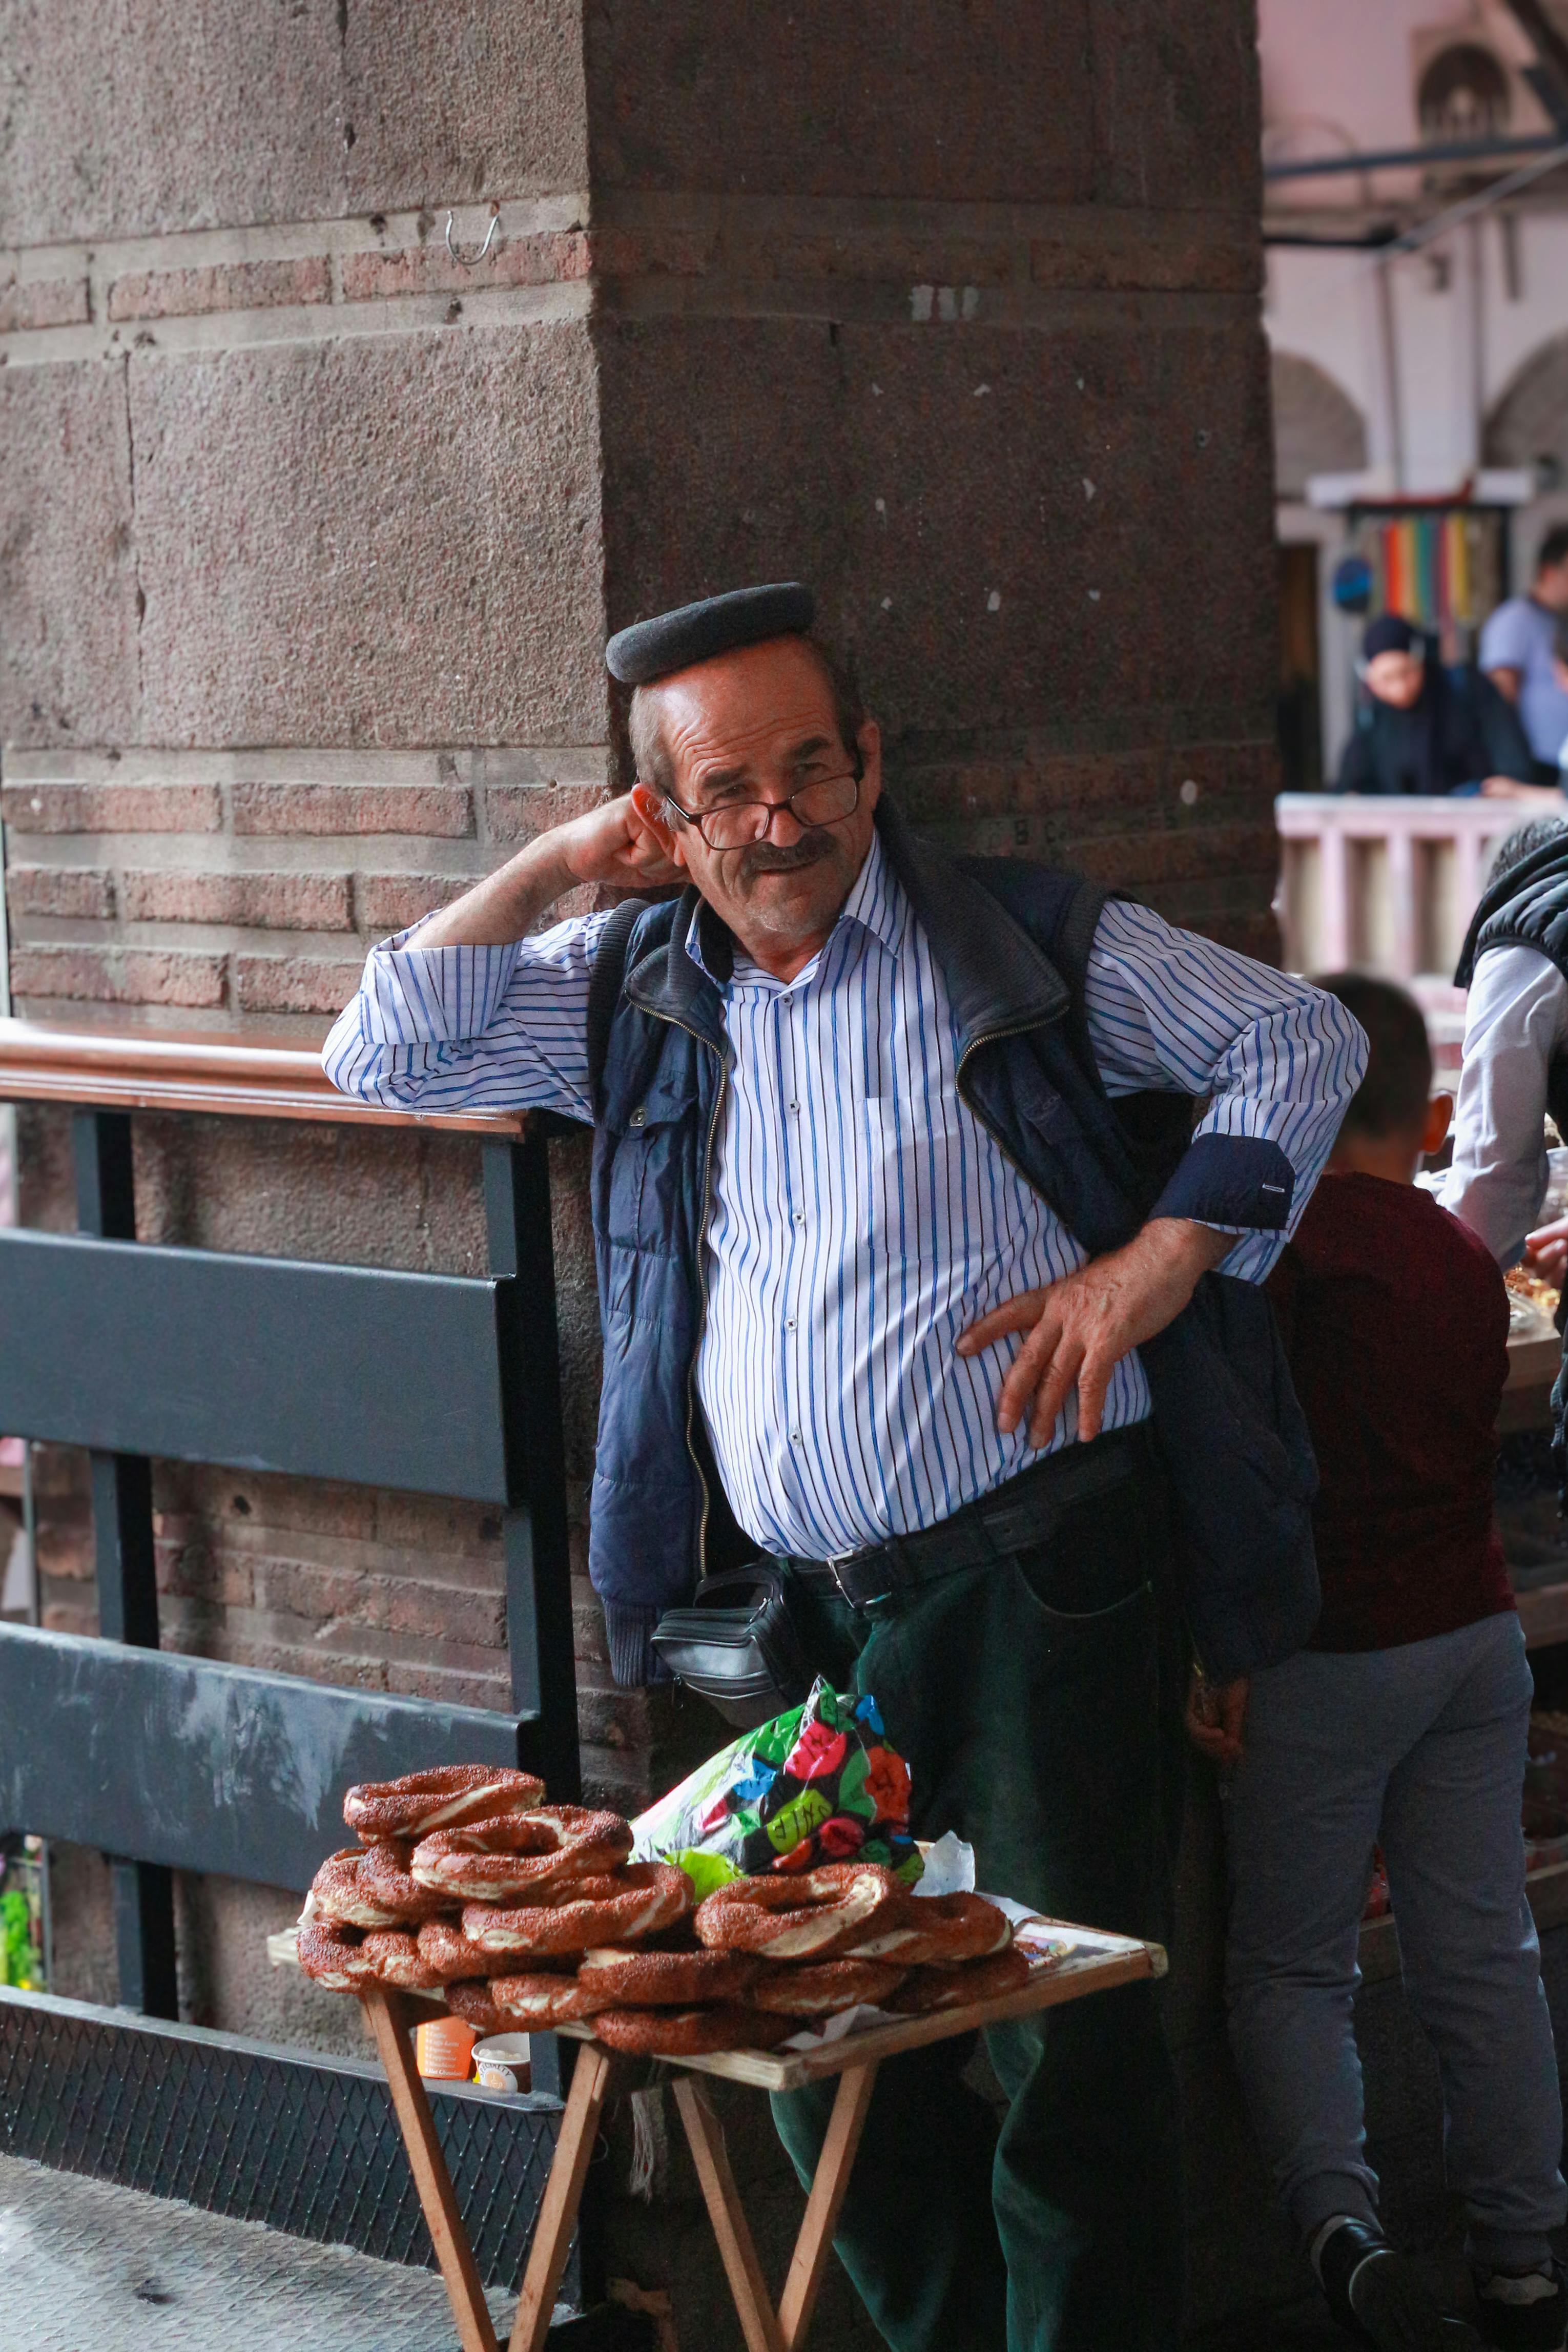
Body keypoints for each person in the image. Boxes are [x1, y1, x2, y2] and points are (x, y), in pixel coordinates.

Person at [324, 582, 1366, 2352]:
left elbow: (1301, 1039)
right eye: (725, 790)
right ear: (673, 813)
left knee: (1065, 2047)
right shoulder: (636, 985)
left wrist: (1155, 1264)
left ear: (872, 765)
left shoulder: (1023, 946)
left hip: (1045, 1575)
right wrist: (572, 863)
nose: (779, 819)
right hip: (800, 1623)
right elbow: (384, 1050)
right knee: (799, 2047)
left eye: (812, 769)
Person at [1191, 973, 1566, 2352]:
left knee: (1292, 1967)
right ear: (1426, 1111)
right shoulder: (1462, 1257)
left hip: (1326, 1653)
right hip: (1471, 1638)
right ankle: (1522, 2256)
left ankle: (1344, 2240)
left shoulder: (1277, 1251)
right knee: (1484, 1951)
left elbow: (1239, 1457)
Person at [1335, 614, 1538, 799]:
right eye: (1386, 680)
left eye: (1407, 673)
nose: (1400, 689)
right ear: (1370, 680)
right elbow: (1352, 783)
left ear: (1420, 659)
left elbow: (1512, 763)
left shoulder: (1466, 689)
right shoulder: (1371, 716)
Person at [1481, 524, 1568, 779]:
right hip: (1535, 765)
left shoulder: (1559, 620)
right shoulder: (1515, 620)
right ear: (1549, 573)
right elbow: (1500, 698)